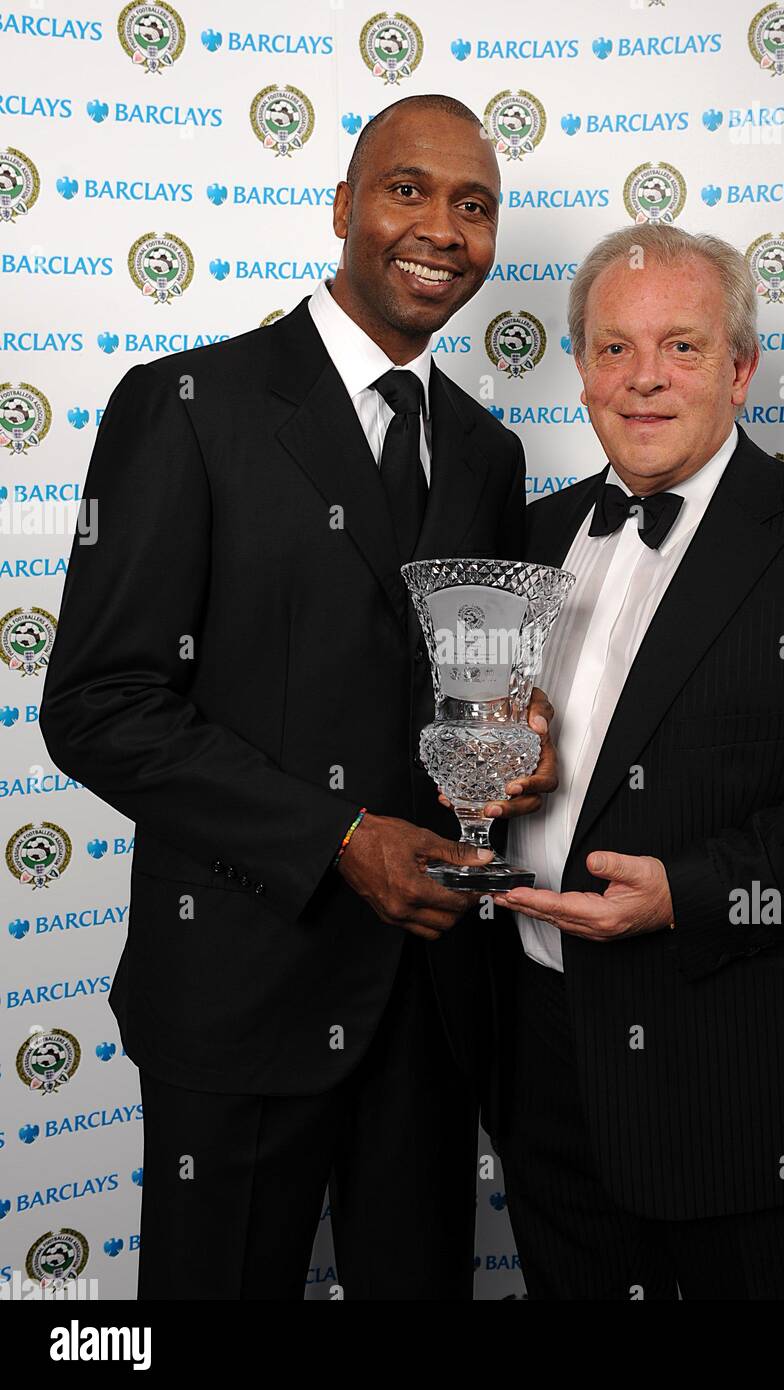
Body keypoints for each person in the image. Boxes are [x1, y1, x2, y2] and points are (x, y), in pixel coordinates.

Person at [38, 93, 555, 1301]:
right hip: (240, 991)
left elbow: (457, 696)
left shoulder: (485, 452)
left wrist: (513, 740)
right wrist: (337, 841)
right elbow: (102, 705)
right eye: (409, 189)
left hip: (432, 1001)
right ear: (341, 207)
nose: (442, 227)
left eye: (473, 205)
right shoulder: (185, 407)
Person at [489, 222, 784, 1300]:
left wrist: (686, 896)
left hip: (750, 1076)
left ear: (739, 371)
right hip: (546, 1059)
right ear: (581, 368)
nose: (642, 380)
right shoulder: (522, 541)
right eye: (612, 349)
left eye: (681, 348)